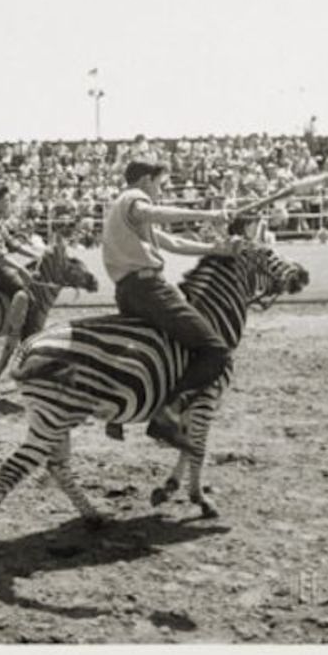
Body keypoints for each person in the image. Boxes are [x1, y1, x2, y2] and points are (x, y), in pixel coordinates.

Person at [102, 161, 238, 452]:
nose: (160, 190)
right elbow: (151, 212)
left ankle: (119, 411)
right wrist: (209, 213)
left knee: (156, 349)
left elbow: (172, 241)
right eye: (159, 183)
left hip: (128, 291)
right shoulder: (133, 200)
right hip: (149, 290)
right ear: (146, 180)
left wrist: (214, 249)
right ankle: (167, 415)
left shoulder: (121, 213)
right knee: (216, 351)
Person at [0, 185, 40, 347]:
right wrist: (22, 268)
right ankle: (25, 341)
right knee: (28, 298)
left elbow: (13, 244)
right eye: (6, 200)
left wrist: (37, 256)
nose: (8, 204)